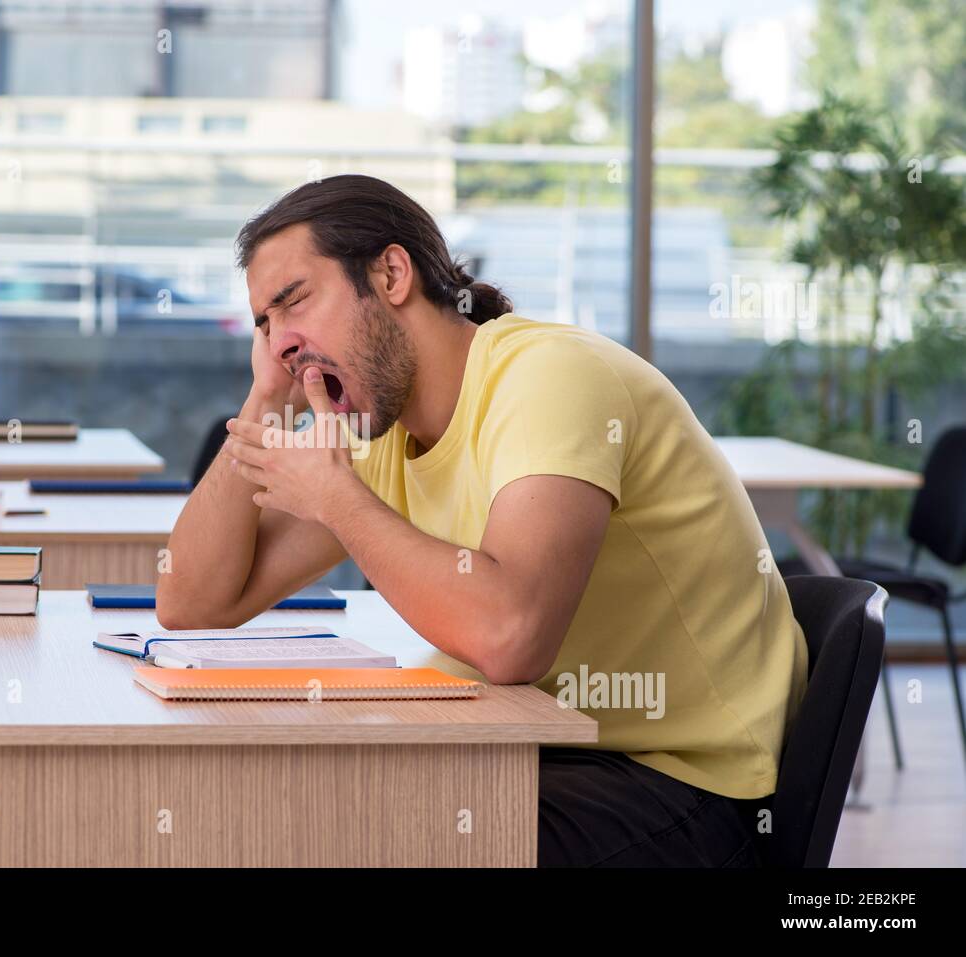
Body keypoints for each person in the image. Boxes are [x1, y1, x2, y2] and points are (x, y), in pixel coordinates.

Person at [156, 174, 807, 866]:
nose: (281, 340)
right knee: (270, 803)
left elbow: (511, 636)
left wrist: (338, 498)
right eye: (264, 324)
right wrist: (265, 398)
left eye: (294, 303)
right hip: (539, 749)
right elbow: (192, 601)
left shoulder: (547, 376)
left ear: (392, 273)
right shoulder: (382, 439)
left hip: (688, 783)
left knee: (335, 832)